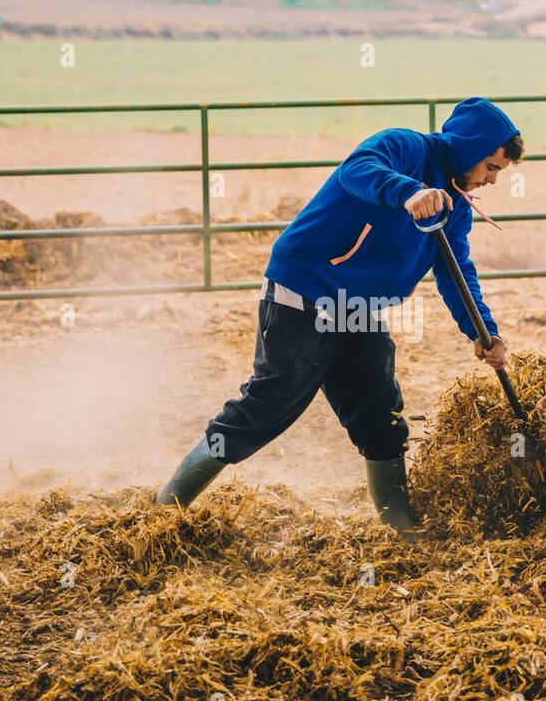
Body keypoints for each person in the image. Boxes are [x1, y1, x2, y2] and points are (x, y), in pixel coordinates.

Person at [155, 97, 523, 539]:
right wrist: (409, 191)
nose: (490, 180)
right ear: (468, 148)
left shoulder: (456, 205)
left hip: (360, 309)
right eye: (490, 167)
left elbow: (455, 269)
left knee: (380, 409)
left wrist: (483, 331)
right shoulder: (404, 147)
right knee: (269, 404)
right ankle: (167, 505)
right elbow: (357, 170)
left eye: (498, 172)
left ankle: (399, 525)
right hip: (303, 292)